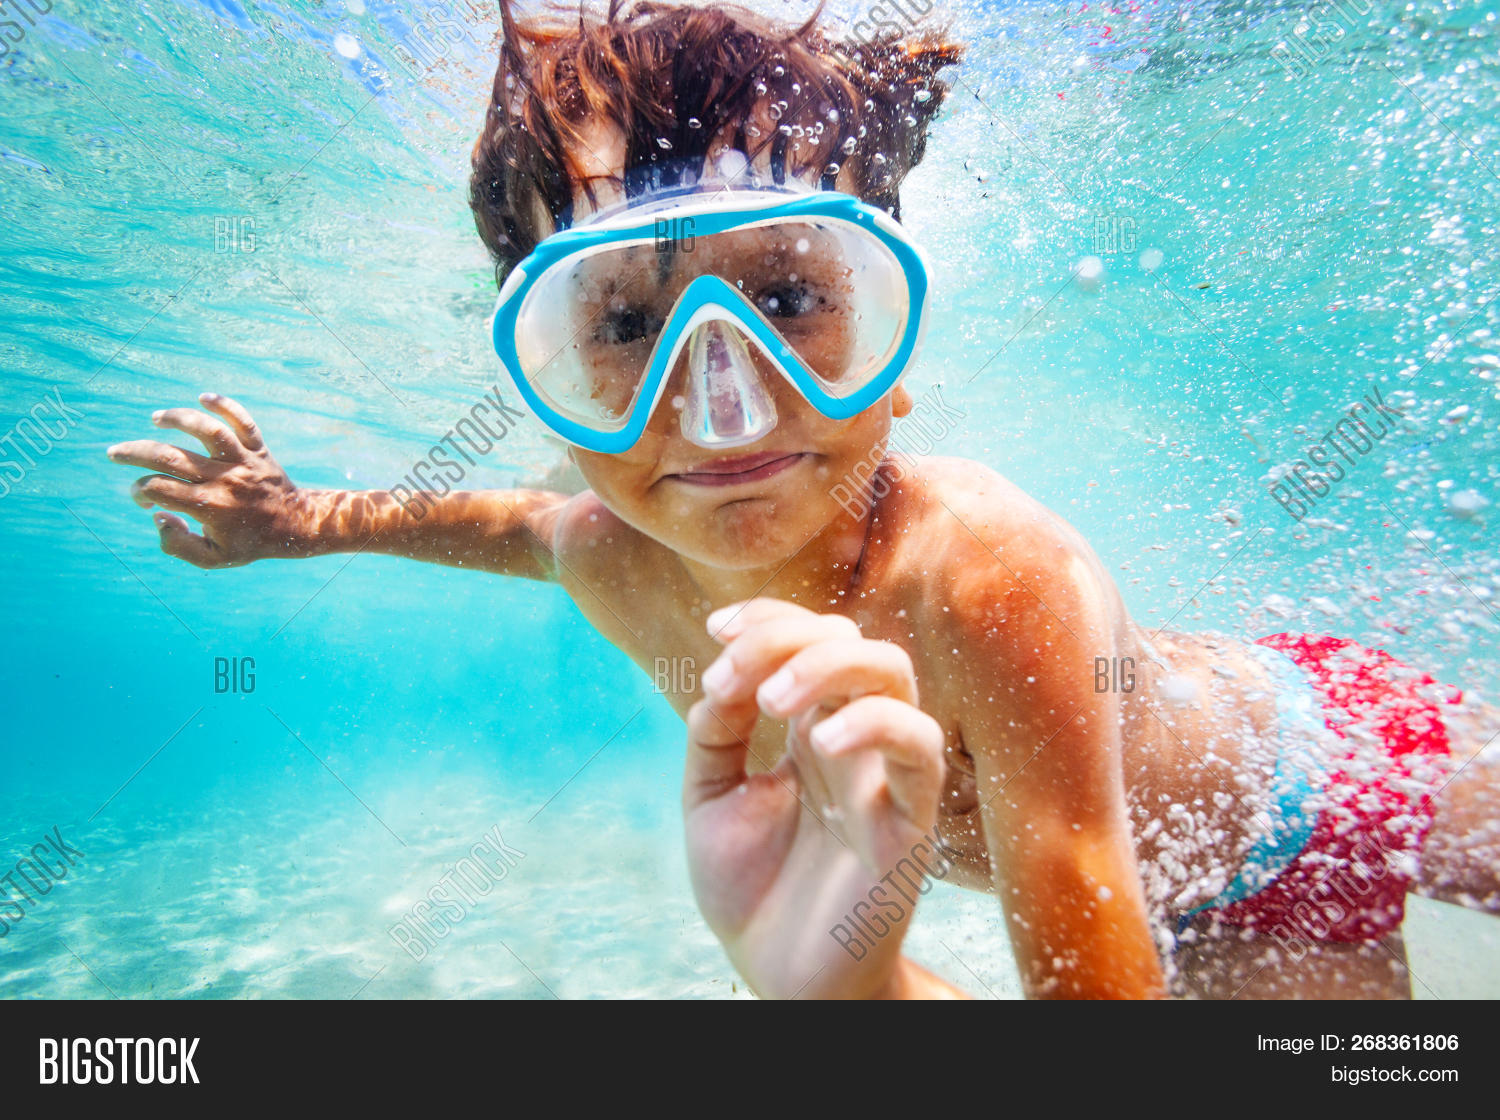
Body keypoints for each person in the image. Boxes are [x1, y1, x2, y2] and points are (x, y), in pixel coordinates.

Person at [105, 0, 1498, 998]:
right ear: (544, 373)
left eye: (787, 299)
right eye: (622, 325)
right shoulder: (605, 553)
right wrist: (297, 523)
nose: (724, 406)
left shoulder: (985, 574)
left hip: (1348, 765)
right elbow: (476, 524)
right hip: (1230, 927)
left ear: (895, 340)